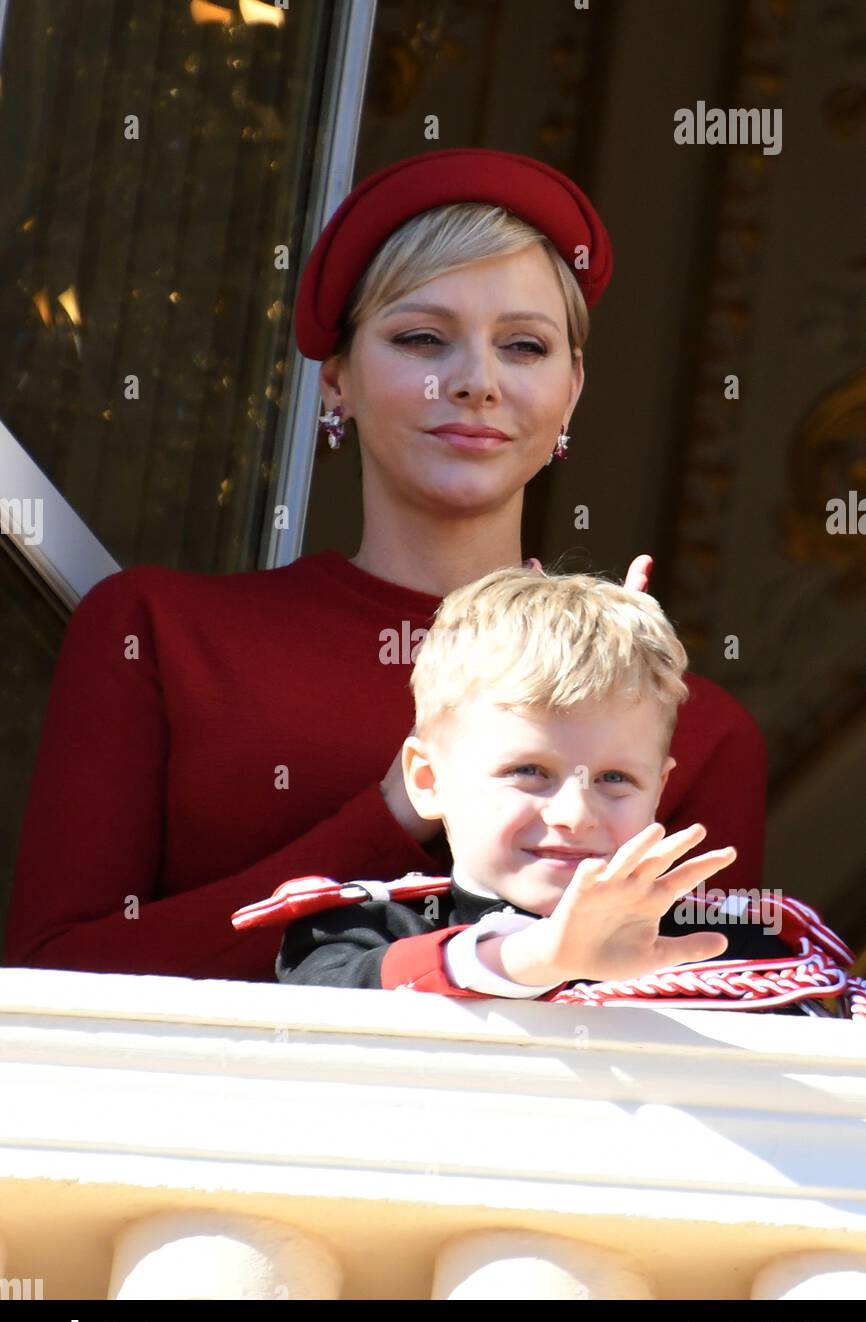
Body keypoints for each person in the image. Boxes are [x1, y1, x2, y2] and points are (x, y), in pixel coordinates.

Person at [5, 148, 767, 983]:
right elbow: (54, 979)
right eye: (422, 338)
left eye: (523, 346)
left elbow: (704, 1024)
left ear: (572, 389)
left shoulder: (691, 724)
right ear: (336, 380)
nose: (476, 382)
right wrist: (391, 815)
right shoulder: (159, 633)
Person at [275, 565, 810, 1009]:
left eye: (614, 778)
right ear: (428, 779)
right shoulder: (355, 934)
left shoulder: (729, 953)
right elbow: (326, 1005)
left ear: (659, 790)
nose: (575, 814)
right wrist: (533, 959)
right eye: (530, 772)